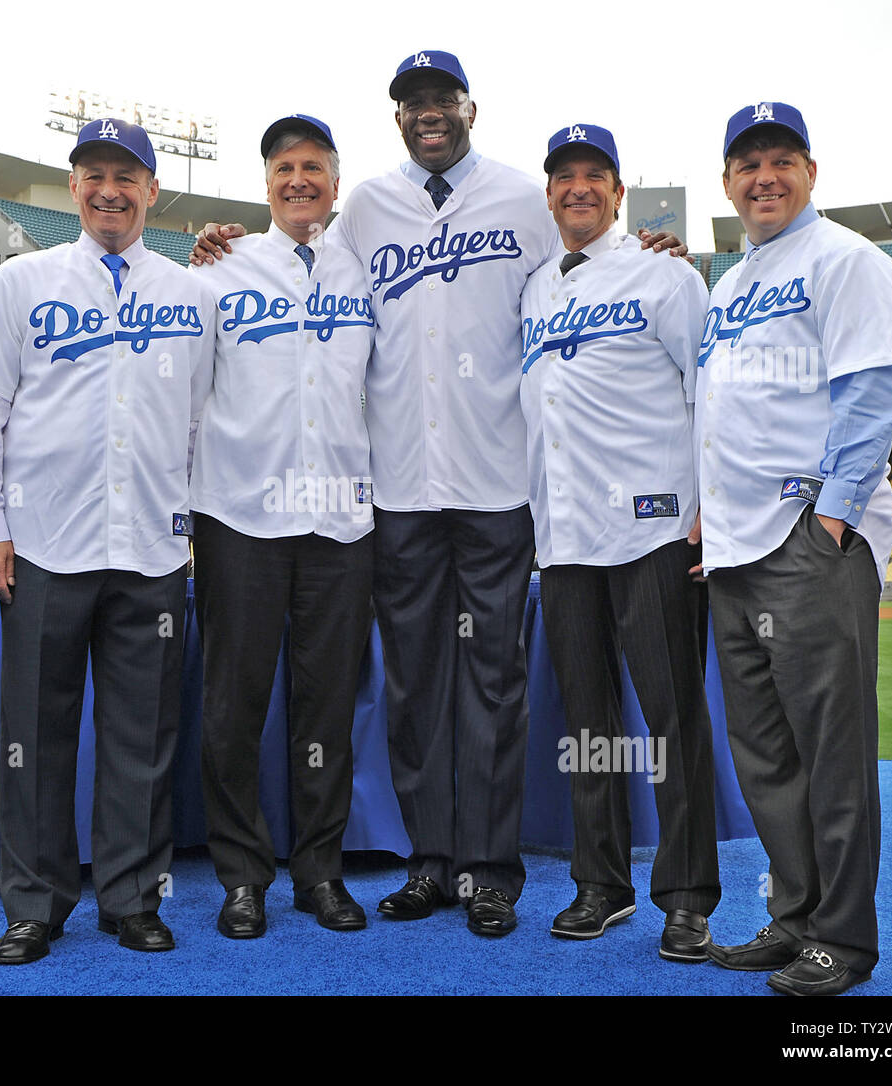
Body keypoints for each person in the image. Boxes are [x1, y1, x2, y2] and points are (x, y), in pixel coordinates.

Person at [195, 50, 686, 937]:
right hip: (398, 490)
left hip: (499, 484)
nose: (429, 114)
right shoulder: (365, 210)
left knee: (494, 688)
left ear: (468, 107)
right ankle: (429, 863)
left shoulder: (522, 201)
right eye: (412, 103)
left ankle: (490, 873)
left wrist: (651, 246)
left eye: (441, 100)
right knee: (416, 685)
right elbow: (296, 255)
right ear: (396, 119)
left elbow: (588, 262)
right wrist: (220, 242)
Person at [0, 118, 214, 962]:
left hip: (149, 547)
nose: (111, 188)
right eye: (94, 173)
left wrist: (188, 523)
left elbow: (199, 423)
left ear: (151, 190)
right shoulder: (20, 283)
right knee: (35, 730)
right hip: (42, 543)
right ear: (73, 187)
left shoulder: (191, 294)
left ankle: (133, 896)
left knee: (143, 736)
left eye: (128, 175)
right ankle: (34, 902)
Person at [696, 102, 892, 995]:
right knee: (766, 755)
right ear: (727, 184)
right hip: (737, 546)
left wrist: (829, 511)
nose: (764, 177)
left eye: (781, 160)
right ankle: (793, 917)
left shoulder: (846, 260)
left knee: (829, 746)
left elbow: (877, 388)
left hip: (804, 534)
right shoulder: (729, 283)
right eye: (747, 165)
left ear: (811, 172)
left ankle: (844, 938)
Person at [520, 124, 720, 960]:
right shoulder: (533, 287)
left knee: (671, 719)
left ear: (617, 191)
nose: (577, 188)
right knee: (589, 721)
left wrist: (711, 505)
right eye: (563, 176)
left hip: (653, 526)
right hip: (564, 536)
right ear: (550, 193)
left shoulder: (664, 273)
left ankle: (685, 896)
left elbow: (708, 387)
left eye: (592, 175)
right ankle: (602, 884)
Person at [190, 114, 375, 939]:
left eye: (314, 167)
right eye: (285, 168)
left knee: (326, 707)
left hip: (340, 518)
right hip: (241, 514)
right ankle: (240, 876)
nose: (300, 180)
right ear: (266, 185)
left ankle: (321, 871)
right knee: (235, 704)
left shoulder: (367, 271)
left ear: (335, 182)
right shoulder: (219, 267)